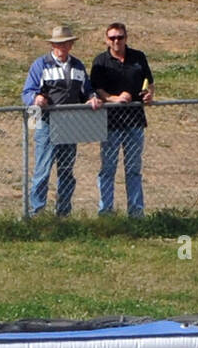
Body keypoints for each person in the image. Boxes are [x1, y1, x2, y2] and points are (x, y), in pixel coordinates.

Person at [22, 25, 103, 217]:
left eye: (66, 43)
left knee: (66, 171)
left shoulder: (78, 66)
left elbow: (86, 90)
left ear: (71, 45)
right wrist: (36, 99)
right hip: (47, 123)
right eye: (59, 44)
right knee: (42, 170)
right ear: (52, 45)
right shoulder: (41, 64)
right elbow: (27, 92)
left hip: (70, 124)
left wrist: (91, 98)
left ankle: (63, 213)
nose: (63, 47)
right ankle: (37, 212)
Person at [91, 22, 154, 217]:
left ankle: (136, 213)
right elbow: (97, 90)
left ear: (126, 38)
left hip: (135, 121)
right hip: (111, 122)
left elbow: (149, 83)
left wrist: (149, 95)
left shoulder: (138, 57)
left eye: (120, 37)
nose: (116, 41)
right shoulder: (101, 61)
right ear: (106, 40)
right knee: (108, 169)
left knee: (133, 169)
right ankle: (106, 212)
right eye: (112, 38)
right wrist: (114, 99)